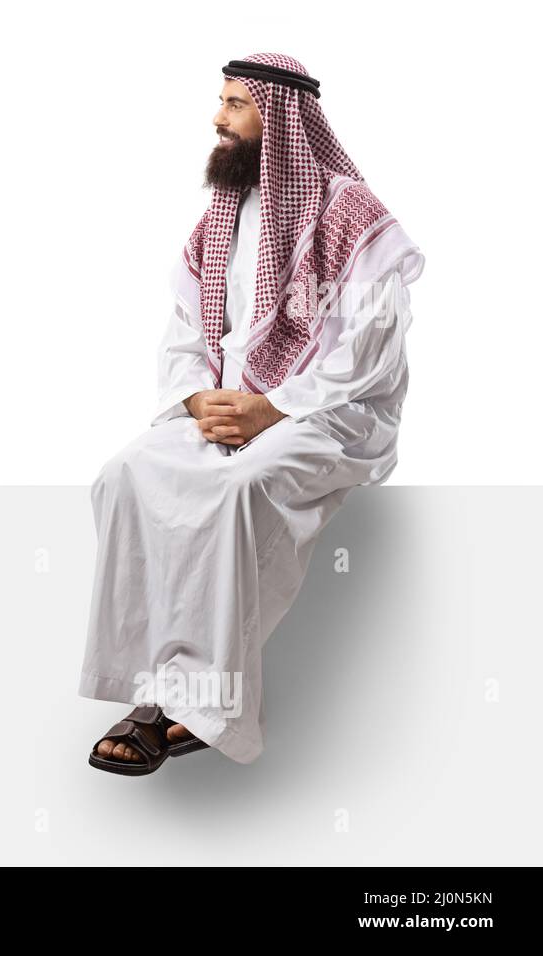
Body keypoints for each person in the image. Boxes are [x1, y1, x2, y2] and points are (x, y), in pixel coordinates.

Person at [80, 53, 425, 774]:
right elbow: (184, 330)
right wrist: (195, 398)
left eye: (236, 103)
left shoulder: (348, 215)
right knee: (125, 474)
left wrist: (273, 410)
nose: (218, 118)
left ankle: (192, 705)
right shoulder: (223, 213)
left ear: (283, 117)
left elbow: (371, 356)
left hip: (330, 415)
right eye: (221, 101)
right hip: (231, 410)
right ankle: (152, 685)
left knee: (238, 492)